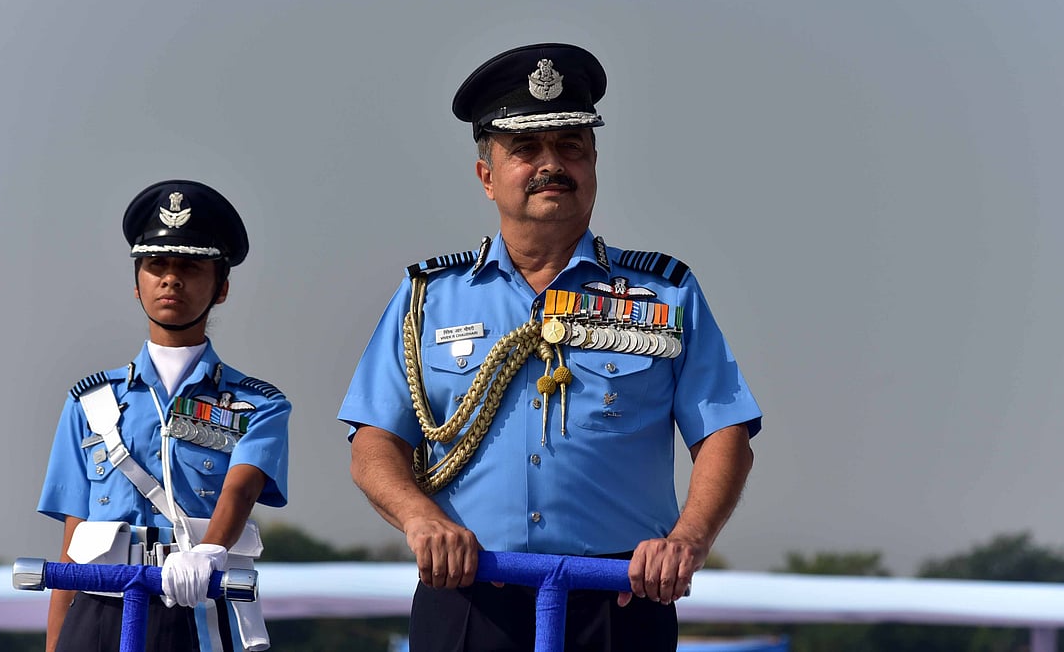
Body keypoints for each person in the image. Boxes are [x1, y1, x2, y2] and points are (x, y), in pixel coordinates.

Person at [338, 43, 762, 651]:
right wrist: (421, 518)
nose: (551, 164)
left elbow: (724, 433)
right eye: (526, 149)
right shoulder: (428, 298)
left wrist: (687, 542)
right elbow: (374, 440)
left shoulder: (665, 293)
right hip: (470, 594)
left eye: (571, 146)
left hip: (619, 597)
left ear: (593, 165)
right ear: (487, 176)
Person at [38, 180, 290, 652]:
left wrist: (210, 552)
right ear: (137, 284)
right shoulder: (90, 403)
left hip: (199, 602)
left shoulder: (259, 404)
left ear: (222, 288)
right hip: (99, 610)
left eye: (190, 267)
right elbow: (72, 542)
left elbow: (241, 487)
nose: (171, 279)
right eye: (157, 265)